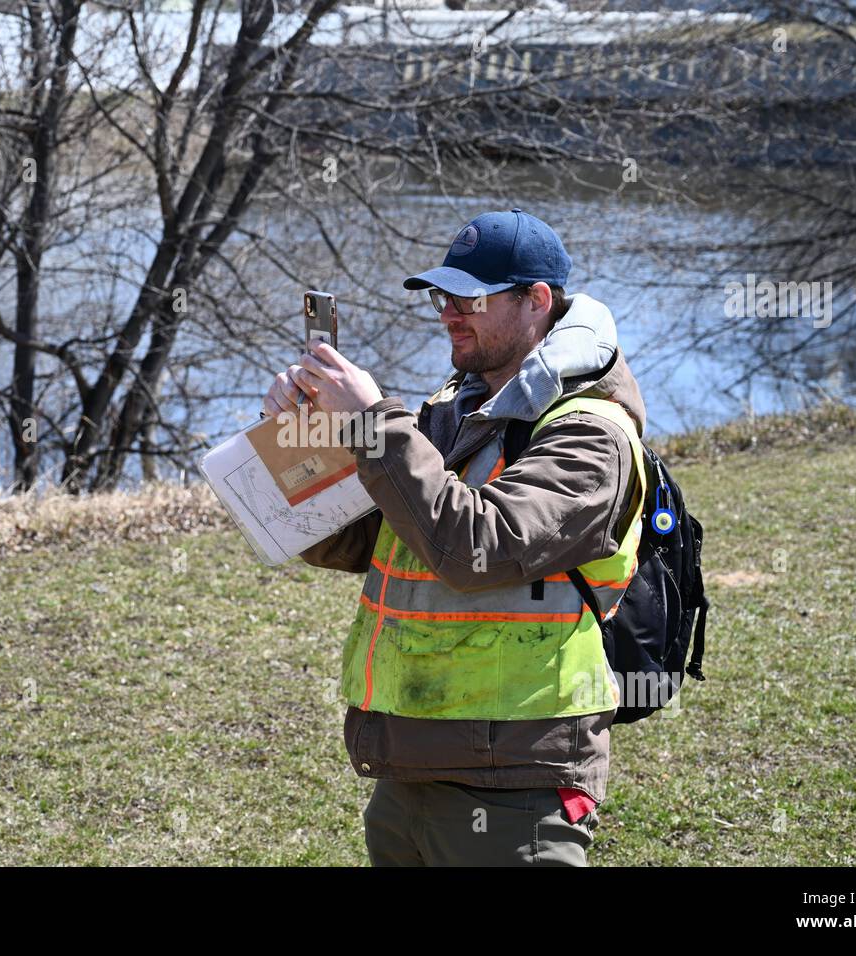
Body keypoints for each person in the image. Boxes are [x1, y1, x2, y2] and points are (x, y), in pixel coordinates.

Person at [263, 208, 648, 866]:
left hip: (519, 779)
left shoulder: (593, 434)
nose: (449, 312)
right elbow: (356, 542)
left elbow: (478, 547)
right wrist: (299, 443)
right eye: (443, 296)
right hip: (409, 766)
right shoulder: (453, 407)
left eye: (471, 297)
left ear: (537, 301)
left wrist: (375, 425)